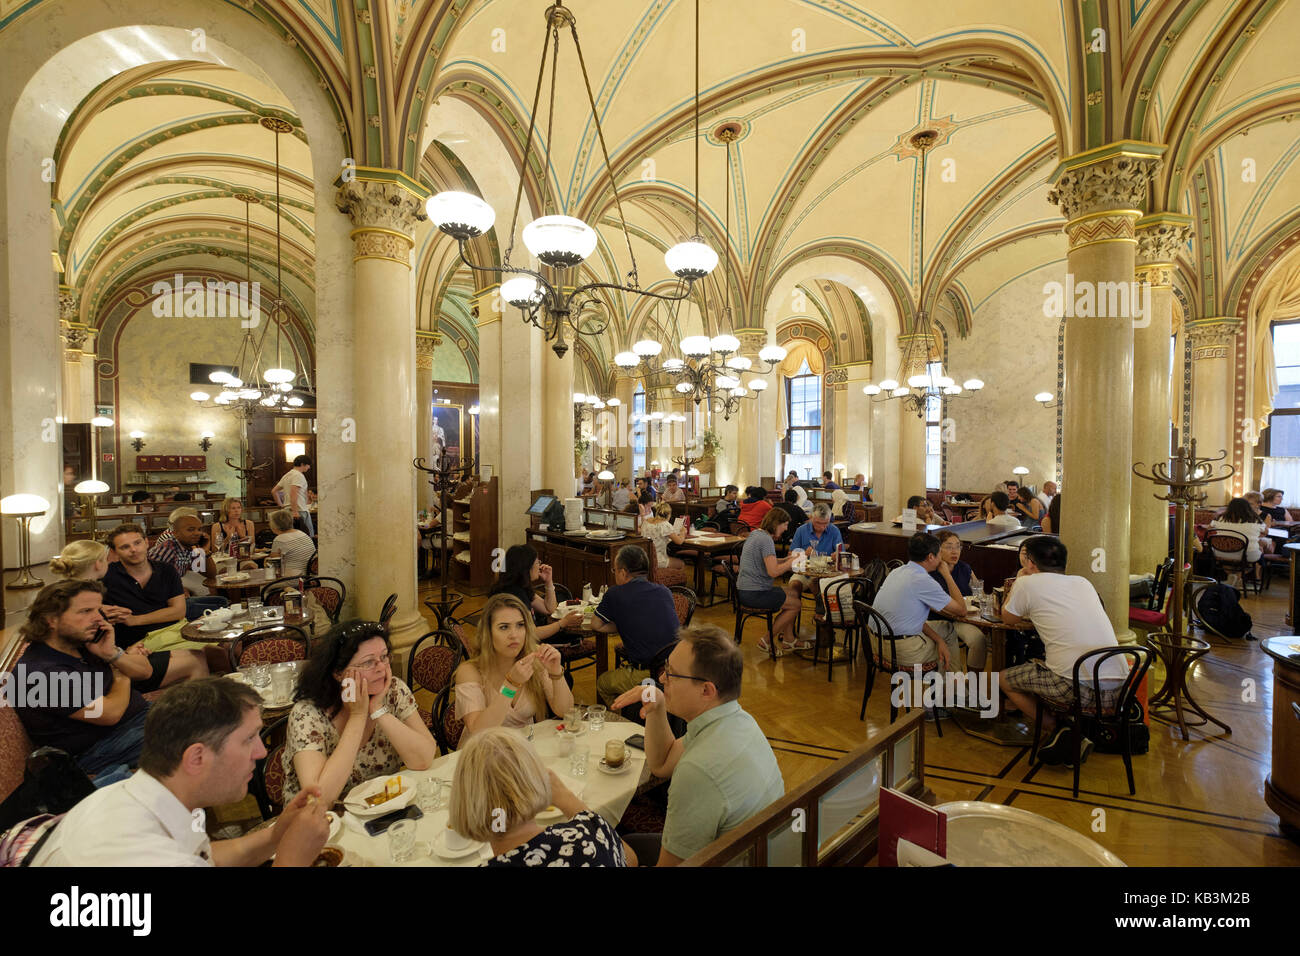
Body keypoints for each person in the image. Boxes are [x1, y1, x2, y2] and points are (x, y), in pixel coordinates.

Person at [32, 678, 330, 866]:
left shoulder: (136, 795)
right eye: (248, 739)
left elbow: (205, 856)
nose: (262, 752)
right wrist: (293, 859)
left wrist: (277, 835)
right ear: (196, 758)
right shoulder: (139, 855)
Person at [611, 625, 784, 866]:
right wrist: (657, 704)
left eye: (671, 673)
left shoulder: (697, 772)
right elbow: (662, 763)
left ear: (706, 690)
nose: (662, 679)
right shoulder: (736, 720)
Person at [1000, 536, 1130, 766]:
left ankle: (1062, 730)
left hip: (1077, 688)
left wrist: (1020, 578)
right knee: (1047, 663)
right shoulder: (1083, 582)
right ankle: (1067, 732)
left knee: (1004, 680)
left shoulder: (1027, 583)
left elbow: (1007, 618)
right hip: (1120, 689)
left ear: (1030, 562)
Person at [13, 580, 152, 789]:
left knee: (210, 708)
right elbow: (109, 713)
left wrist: (112, 654)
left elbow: (145, 672)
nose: (98, 618)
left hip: (130, 725)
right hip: (96, 749)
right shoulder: (41, 673)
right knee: (202, 733)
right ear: (51, 619)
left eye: (98, 609)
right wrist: (121, 674)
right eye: (86, 611)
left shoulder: (83, 643)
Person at [283, 620, 437, 805]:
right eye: (368, 662)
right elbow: (319, 800)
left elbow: (424, 759)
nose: (381, 667)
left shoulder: (393, 691)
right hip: (323, 822)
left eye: (384, 657)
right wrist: (357, 716)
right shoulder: (307, 715)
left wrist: (377, 710)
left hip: (381, 807)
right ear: (339, 673)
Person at [450, 728, 633, 866]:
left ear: (463, 802)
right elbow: (630, 859)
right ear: (537, 779)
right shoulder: (588, 836)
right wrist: (566, 797)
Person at [101, 524, 208, 692]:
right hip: (140, 642)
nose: (133, 550)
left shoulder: (165, 570)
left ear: (146, 542)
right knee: (206, 654)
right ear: (115, 551)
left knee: (229, 646)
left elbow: (179, 611)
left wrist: (134, 619)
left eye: (137, 543)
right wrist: (102, 609)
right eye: (125, 547)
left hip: (176, 630)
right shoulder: (106, 577)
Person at [454, 593, 573, 737]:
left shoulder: (533, 657)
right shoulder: (470, 671)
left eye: (520, 625)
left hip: (523, 748)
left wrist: (556, 673)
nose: (514, 635)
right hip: (483, 752)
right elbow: (478, 731)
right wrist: (511, 684)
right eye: (504, 627)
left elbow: (565, 711)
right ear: (488, 633)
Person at [870, 532, 973, 673]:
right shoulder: (923, 580)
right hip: (902, 651)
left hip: (877, 644)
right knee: (949, 633)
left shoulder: (897, 571)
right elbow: (962, 610)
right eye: (939, 554)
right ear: (931, 557)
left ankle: (948, 688)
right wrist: (947, 575)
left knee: (946, 630)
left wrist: (938, 639)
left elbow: (912, 619)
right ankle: (955, 690)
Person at [591, 545, 680, 707]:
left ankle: (625, 720)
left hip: (647, 672)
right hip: (676, 669)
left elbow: (596, 624)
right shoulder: (664, 591)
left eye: (615, 571)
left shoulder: (615, 594)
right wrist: (627, 623)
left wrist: (622, 624)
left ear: (623, 572)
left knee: (603, 683)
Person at [738, 508, 806, 655]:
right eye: (785, 525)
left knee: (793, 593)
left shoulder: (756, 534)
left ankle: (789, 639)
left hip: (745, 589)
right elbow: (773, 572)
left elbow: (768, 562)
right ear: (776, 523)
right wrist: (793, 561)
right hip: (754, 593)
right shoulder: (766, 540)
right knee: (796, 604)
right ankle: (766, 640)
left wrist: (786, 559)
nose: (786, 528)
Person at [488, 544, 582, 641]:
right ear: (527, 567)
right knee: (575, 638)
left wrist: (548, 582)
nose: (540, 566)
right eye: (537, 562)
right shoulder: (513, 596)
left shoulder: (519, 586)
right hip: (522, 646)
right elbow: (531, 634)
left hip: (529, 639)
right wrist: (563, 623)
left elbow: (549, 609)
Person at [149, 507, 227, 618]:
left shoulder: (189, 546)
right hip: (163, 604)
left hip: (176, 597)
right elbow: (153, 581)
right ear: (175, 533)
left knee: (222, 602)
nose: (197, 533)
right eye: (191, 529)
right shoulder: (168, 547)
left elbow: (210, 574)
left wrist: (205, 550)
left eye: (199, 529)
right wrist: (179, 592)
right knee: (220, 609)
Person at [1209, 497, 1266, 583]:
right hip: (1247, 555)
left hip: (1221, 553)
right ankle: (1239, 577)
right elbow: (1266, 532)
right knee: (1258, 551)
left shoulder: (1220, 518)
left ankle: (1232, 577)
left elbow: (1209, 529)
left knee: (1228, 559)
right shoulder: (1255, 520)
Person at [273, 454, 314, 536]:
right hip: (299, 510)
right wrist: (295, 511)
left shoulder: (287, 475)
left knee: (290, 536)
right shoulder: (298, 475)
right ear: (302, 464)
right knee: (307, 536)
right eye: (308, 465)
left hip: (287, 511)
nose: (309, 467)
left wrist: (281, 506)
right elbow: (293, 492)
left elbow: (274, 491)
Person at [640, 501, 687, 571]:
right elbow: (679, 542)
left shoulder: (646, 521)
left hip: (645, 558)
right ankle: (670, 580)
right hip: (657, 560)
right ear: (668, 514)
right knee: (681, 563)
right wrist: (683, 532)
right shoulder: (665, 525)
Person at [268, 508, 315, 577]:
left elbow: (274, 565)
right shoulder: (302, 533)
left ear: (274, 525)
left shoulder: (280, 539)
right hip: (309, 577)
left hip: (292, 578)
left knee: (264, 586)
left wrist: (266, 560)